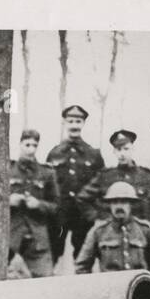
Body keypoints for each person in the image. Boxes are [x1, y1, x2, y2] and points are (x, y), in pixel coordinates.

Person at [45, 104, 106, 262]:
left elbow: (101, 186)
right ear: (65, 123)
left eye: (78, 121)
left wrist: (95, 212)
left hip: (83, 215)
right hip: (60, 213)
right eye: (70, 121)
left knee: (83, 254)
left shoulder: (93, 154)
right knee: (53, 252)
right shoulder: (54, 153)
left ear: (83, 124)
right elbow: (48, 185)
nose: (74, 125)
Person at [73, 182, 150, 274]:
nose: (119, 206)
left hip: (140, 285)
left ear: (131, 205)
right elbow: (82, 266)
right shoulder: (98, 231)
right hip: (111, 286)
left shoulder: (146, 229)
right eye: (115, 202)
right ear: (109, 205)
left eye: (124, 202)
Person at [8, 129, 59, 278]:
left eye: (34, 145)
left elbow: (56, 207)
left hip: (37, 237)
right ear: (20, 144)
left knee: (46, 278)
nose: (30, 149)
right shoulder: (7, 170)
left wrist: (39, 204)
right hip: (10, 236)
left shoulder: (47, 173)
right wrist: (9, 201)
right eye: (27, 144)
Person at [79, 129, 150, 221]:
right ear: (114, 152)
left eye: (126, 149)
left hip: (138, 230)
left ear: (133, 149)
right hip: (111, 230)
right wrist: (98, 218)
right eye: (118, 149)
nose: (122, 154)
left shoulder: (145, 176)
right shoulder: (105, 176)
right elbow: (82, 198)